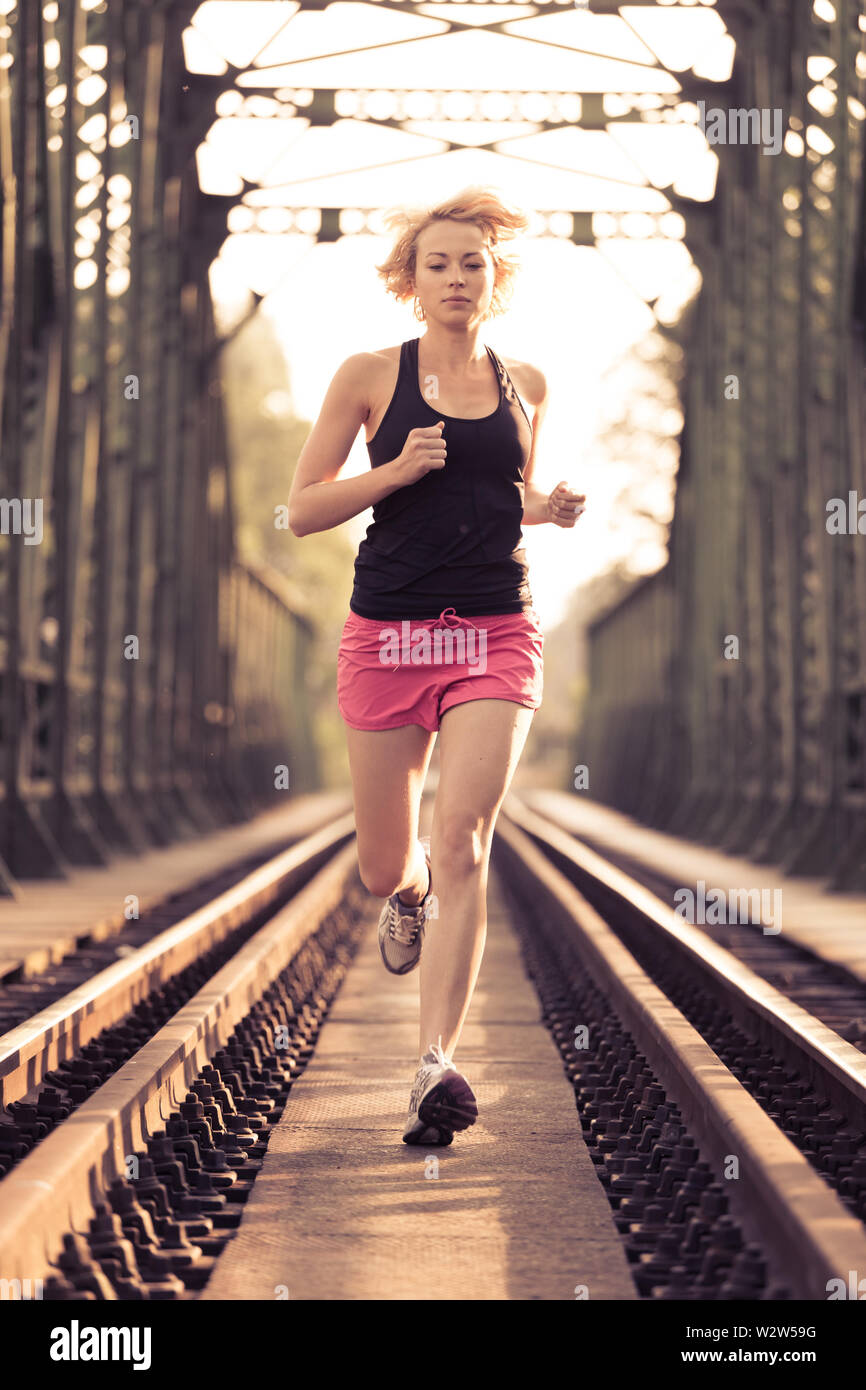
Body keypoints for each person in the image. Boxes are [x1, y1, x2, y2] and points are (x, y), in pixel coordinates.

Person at [288, 186, 585, 1147]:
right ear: (410, 282)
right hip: (391, 632)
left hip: (495, 627)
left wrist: (551, 508)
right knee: (390, 863)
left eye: (473, 264)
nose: (457, 277)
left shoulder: (527, 382)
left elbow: (505, 496)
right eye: (439, 264)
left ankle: (433, 1067)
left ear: (494, 279)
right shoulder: (370, 375)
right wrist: (394, 471)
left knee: (462, 837)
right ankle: (407, 900)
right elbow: (304, 509)